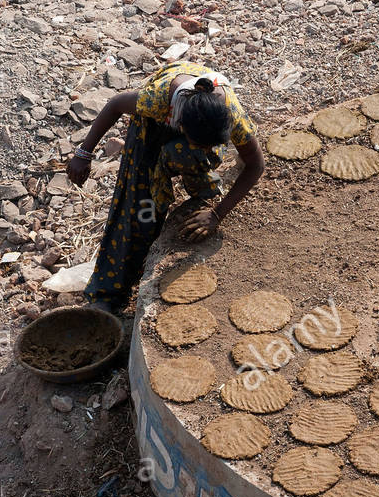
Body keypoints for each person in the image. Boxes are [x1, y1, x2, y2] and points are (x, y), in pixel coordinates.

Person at [66, 61, 266, 312]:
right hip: (151, 126)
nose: (208, 150)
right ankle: (110, 294)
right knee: (139, 208)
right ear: (181, 127)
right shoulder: (157, 100)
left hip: (194, 126)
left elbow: (256, 165)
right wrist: (84, 153)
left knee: (192, 156)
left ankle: (200, 186)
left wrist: (216, 213)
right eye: (200, 144)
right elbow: (115, 104)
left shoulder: (229, 113)